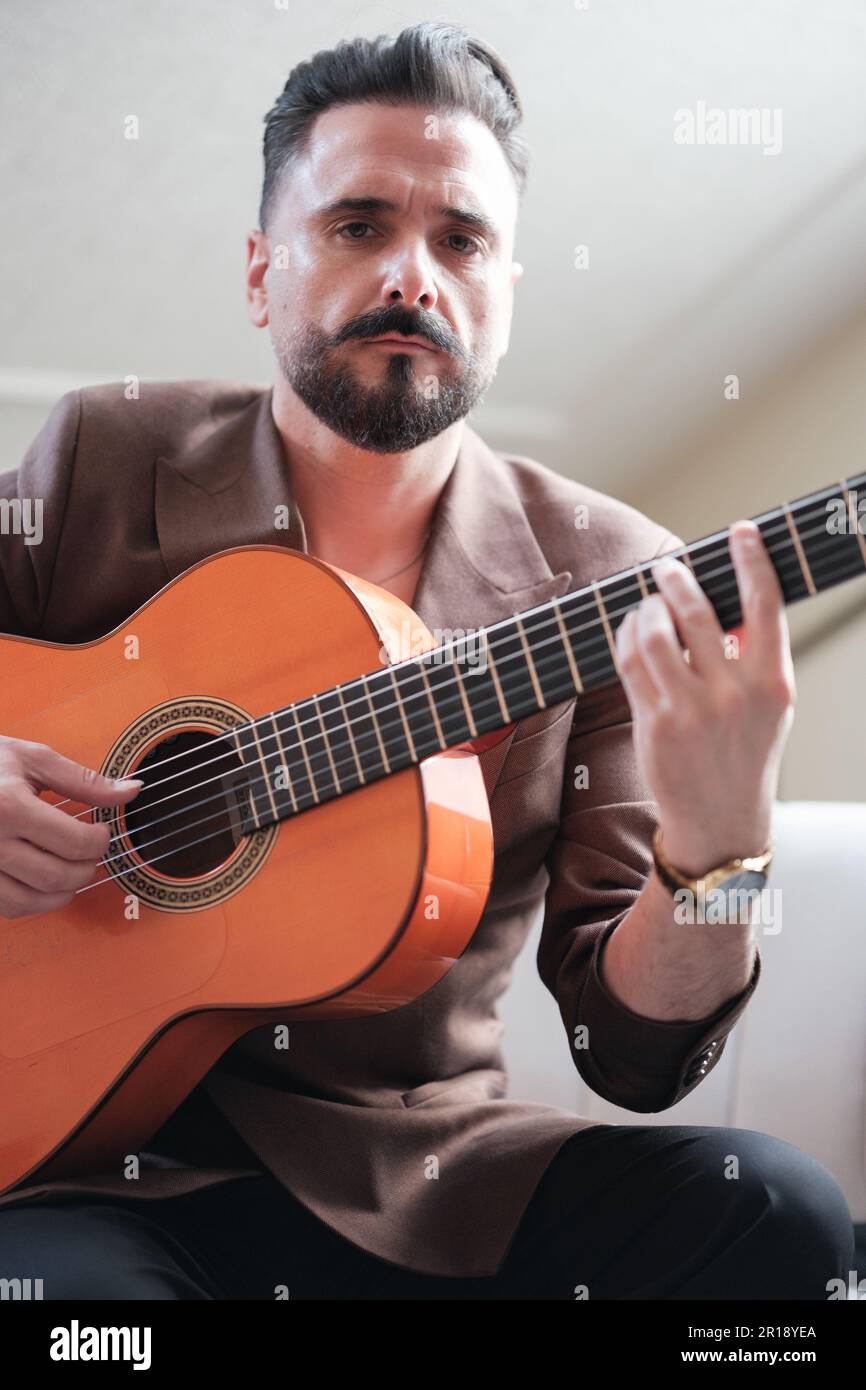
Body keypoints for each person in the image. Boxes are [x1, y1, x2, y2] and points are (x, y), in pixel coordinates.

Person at [0, 21, 853, 1299]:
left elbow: (634, 1055)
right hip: (88, 1172)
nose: (413, 274)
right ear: (258, 273)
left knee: (774, 1215)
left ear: (506, 290)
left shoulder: (610, 574)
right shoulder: (110, 454)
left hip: (425, 1181)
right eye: (356, 226)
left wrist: (719, 849)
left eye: (461, 241)